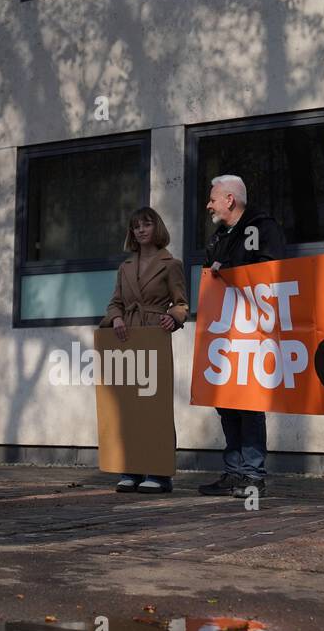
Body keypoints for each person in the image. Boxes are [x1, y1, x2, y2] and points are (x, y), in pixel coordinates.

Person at [195, 175, 286, 498]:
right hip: (225, 330)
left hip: (253, 331)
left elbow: (271, 271)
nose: (209, 205)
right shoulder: (220, 236)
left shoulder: (262, 228)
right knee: (225, 401)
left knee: (248, 402)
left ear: (230, 200)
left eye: (213, 199)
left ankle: (252, 475)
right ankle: (234, 472)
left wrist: (228, 267)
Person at [101, 207, 188, 494]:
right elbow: (115, 302)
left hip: (154, 335)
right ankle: (132, 469)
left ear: (157, 227)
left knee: (156, 405)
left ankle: (160, 473)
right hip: (126, 337)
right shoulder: (125, 267)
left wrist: (173, 317)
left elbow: (181, 304)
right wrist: (115, 318)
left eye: (146, 224)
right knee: (129, 406)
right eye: (135, 226)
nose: (140, 230)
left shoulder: (171, 263)